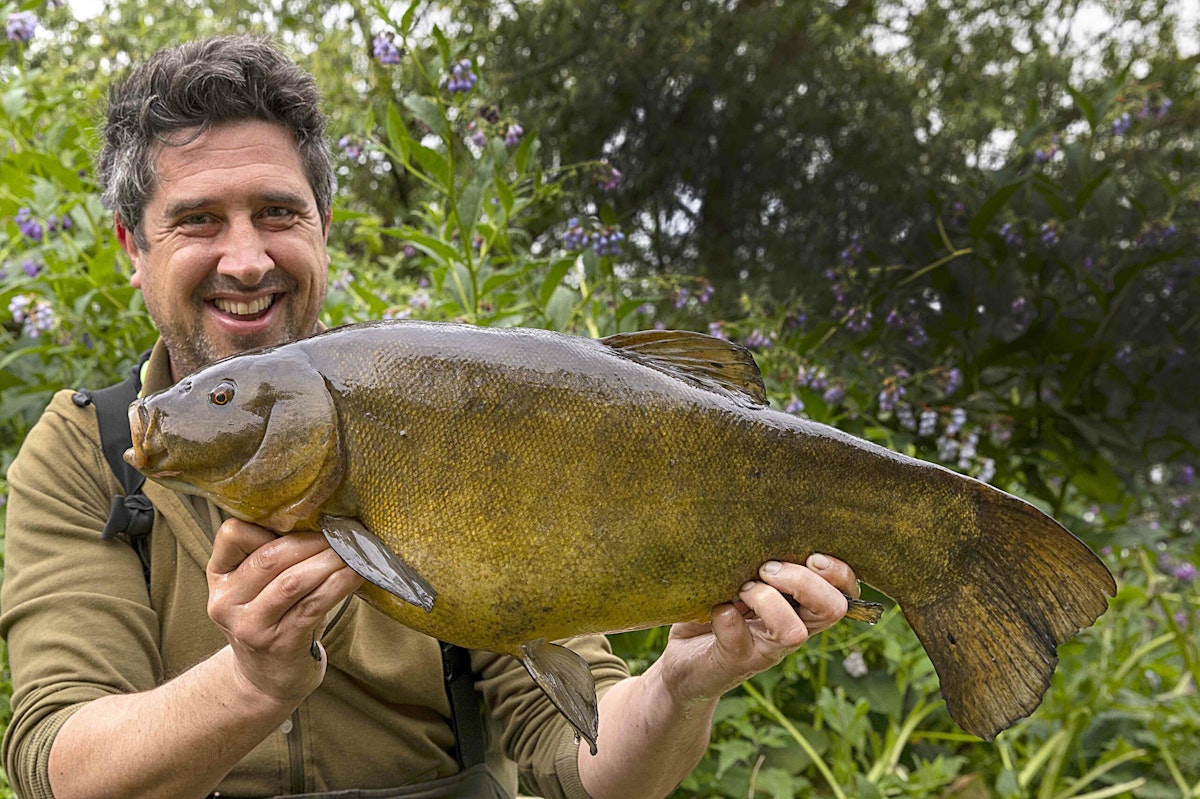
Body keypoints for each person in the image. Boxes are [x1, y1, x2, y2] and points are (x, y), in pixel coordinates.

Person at [0, 35, 861, 799]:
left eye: (278, 212)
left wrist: (683, 684)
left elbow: (581, 762)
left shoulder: (457, 408)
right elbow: (55, 764)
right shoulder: (92, 453)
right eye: (196, 221)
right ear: (132, 249)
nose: (248, 258)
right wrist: (253, 682)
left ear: (324, 227)